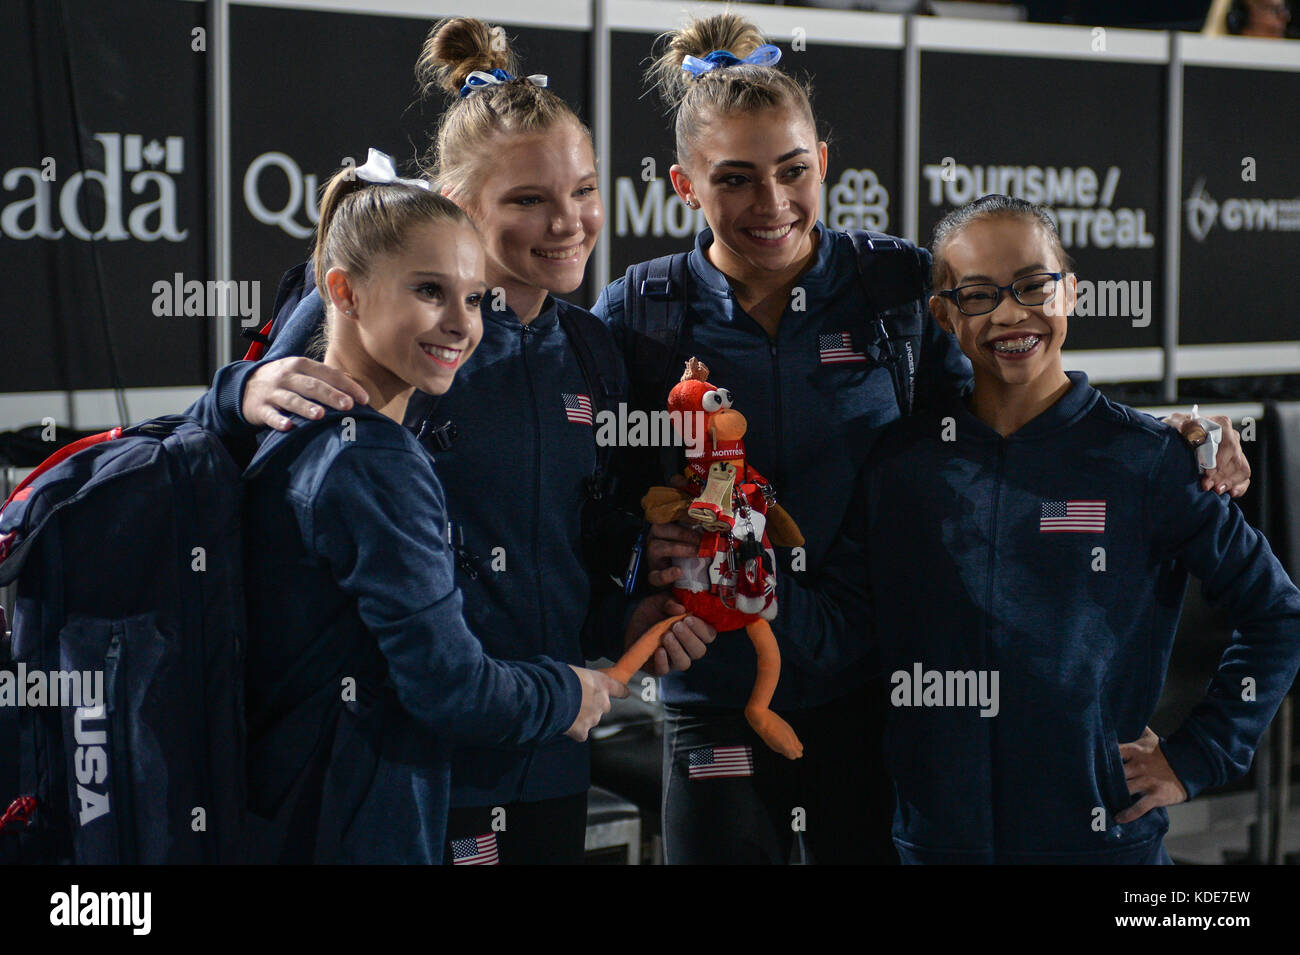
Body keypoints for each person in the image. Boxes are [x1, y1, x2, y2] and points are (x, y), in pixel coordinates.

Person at [591, 11, 1254, 865]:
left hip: (877, 689)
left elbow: (1012, 397)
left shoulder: (894, 286)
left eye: (794, 171)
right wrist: (638, 572)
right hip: (714, 693)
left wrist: (1160, 434)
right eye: (736, 179)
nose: (772, 203)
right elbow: (593, 500)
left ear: (824, 163)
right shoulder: (639, 310)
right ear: (684, 186)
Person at [190, 17, 713, 865]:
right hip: (406, 770)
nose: (568, 221)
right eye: (528, 199)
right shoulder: (397, 335)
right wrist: (234, 390)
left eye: (583, 189)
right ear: (461, 206)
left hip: (547, 749)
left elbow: (586, 546)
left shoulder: (593, 350)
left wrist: (629, 613)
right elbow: (216, 456)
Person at [861, 194, 1300, 864]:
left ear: (1073, 292)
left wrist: (1198, 755)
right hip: (934, 846)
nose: (1011, 313)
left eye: (1034, 285)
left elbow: (1278, 614)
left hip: (1102, 846)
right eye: (978, 294)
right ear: (945, 316)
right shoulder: (902, 464)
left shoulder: (1151, 460)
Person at [240, 159, 627, 864]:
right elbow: (452, 687)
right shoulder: (372, 463)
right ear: (344, 291)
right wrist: (566, 692)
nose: (460, 324)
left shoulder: (284, 420)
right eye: (429, 291)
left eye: (475, 299)